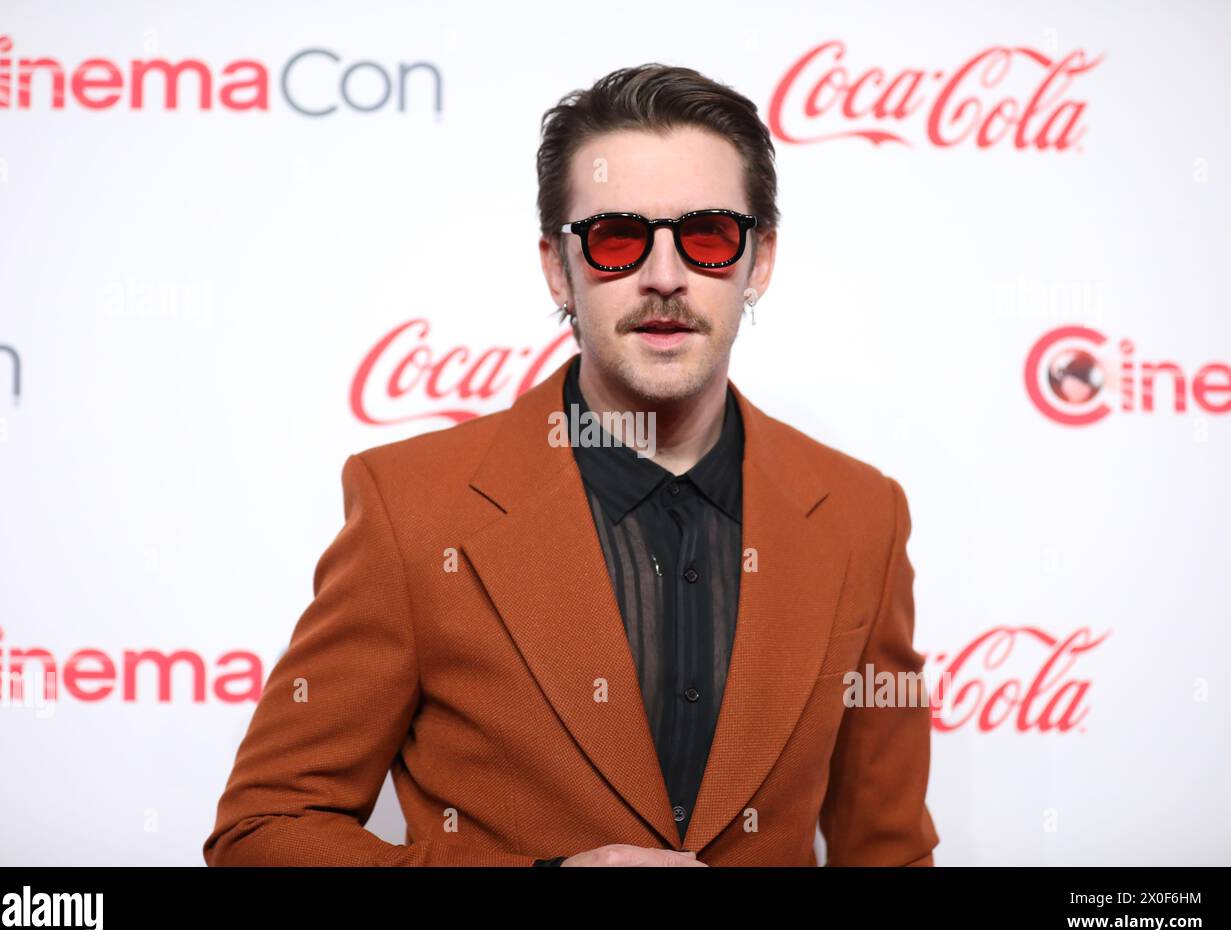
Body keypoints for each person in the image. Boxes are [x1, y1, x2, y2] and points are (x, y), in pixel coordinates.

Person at [203, 63, 939, 867]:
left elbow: (888, 852)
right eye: (618, 239)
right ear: (560, 268)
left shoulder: (863, 515)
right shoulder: (413, 509)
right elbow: (262, 833)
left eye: (708, 236)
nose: (665, 277)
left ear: (757, 262)